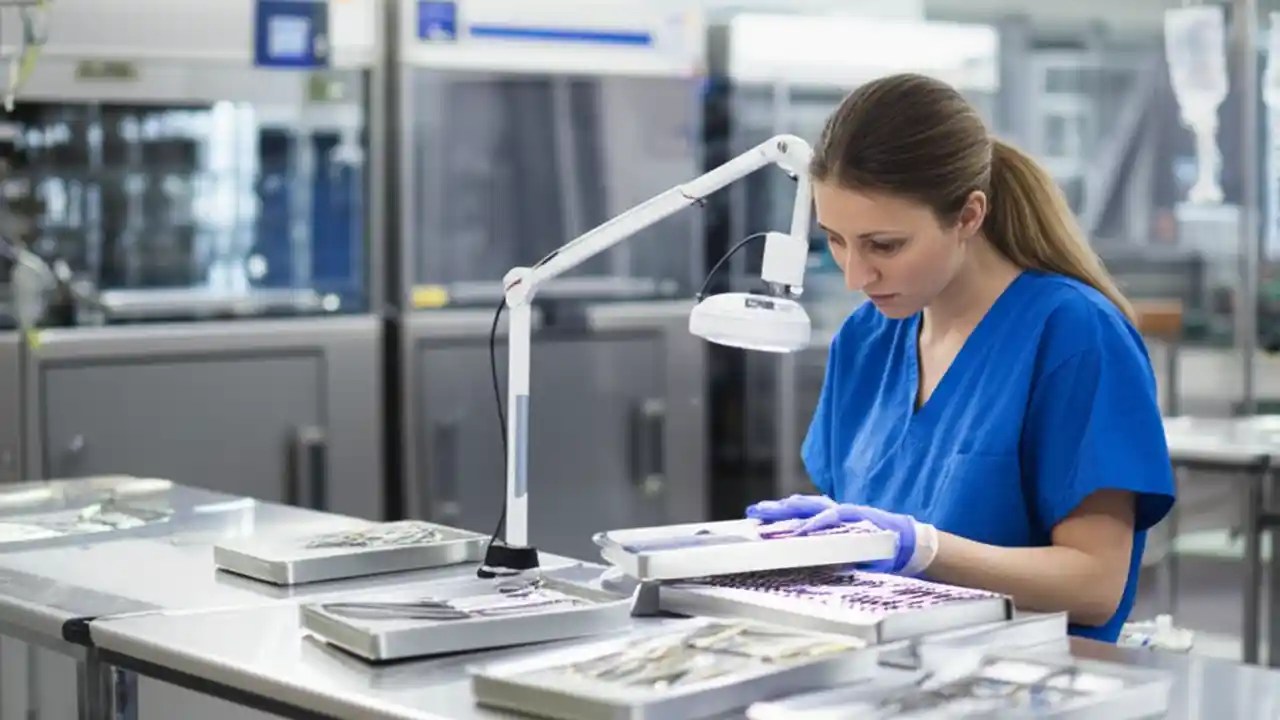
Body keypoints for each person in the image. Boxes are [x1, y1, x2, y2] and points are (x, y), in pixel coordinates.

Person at [745, 73, 1176, 643]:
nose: (855, 275)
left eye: (885, 245)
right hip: (883, 675)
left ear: (968, 217)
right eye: (836, 239)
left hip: (1027, 684)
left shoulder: (1073, 334)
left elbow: (1094, 586)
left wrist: (922, 548)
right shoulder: (866, 338)